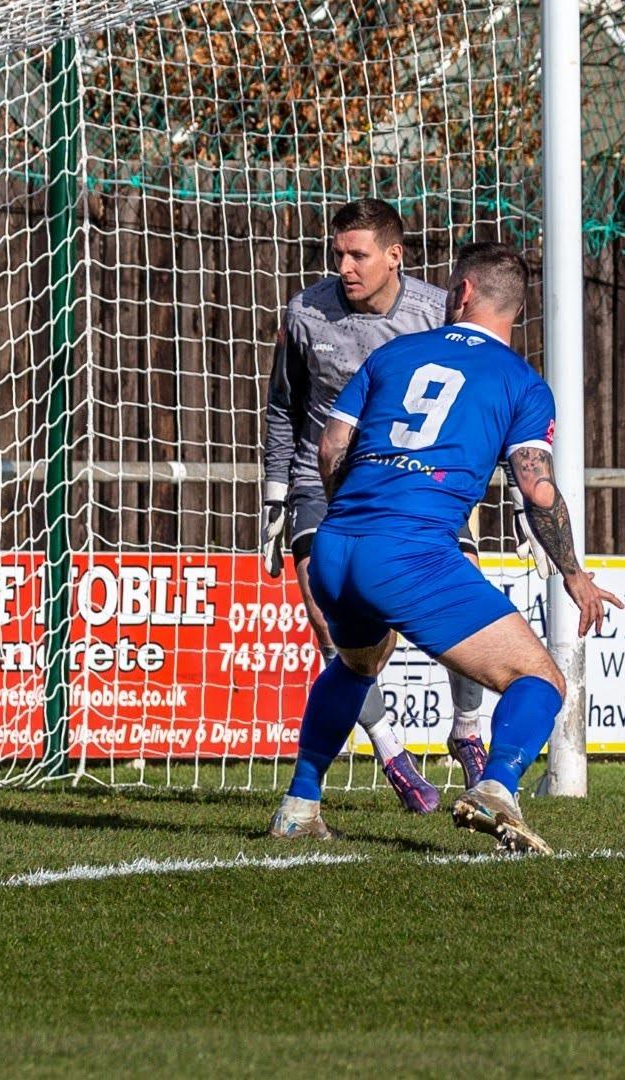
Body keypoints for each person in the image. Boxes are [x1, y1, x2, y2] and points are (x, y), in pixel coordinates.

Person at [267, 241, 621, 853]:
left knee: (356, 665)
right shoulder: (523, 384)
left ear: (461, 294)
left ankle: (300, 804)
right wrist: (575, 574)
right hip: (409, 553)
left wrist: (350, 508)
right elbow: (538, 491)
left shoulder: (395, 352)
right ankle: (495, 787)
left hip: (335, 541)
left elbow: (329, 448)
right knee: (541, 680)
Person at [262, 198, 490, 811]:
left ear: (395, 256)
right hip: (324, 485)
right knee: (332, 626)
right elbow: (284, 407)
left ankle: (467, 730)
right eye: (337, 253)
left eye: (357, 254)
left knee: (460, 611)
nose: (344, 266)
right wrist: (276, 496)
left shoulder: (433, 314)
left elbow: (472, 400)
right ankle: (391, 753)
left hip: (414, 487)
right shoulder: (305, 312)